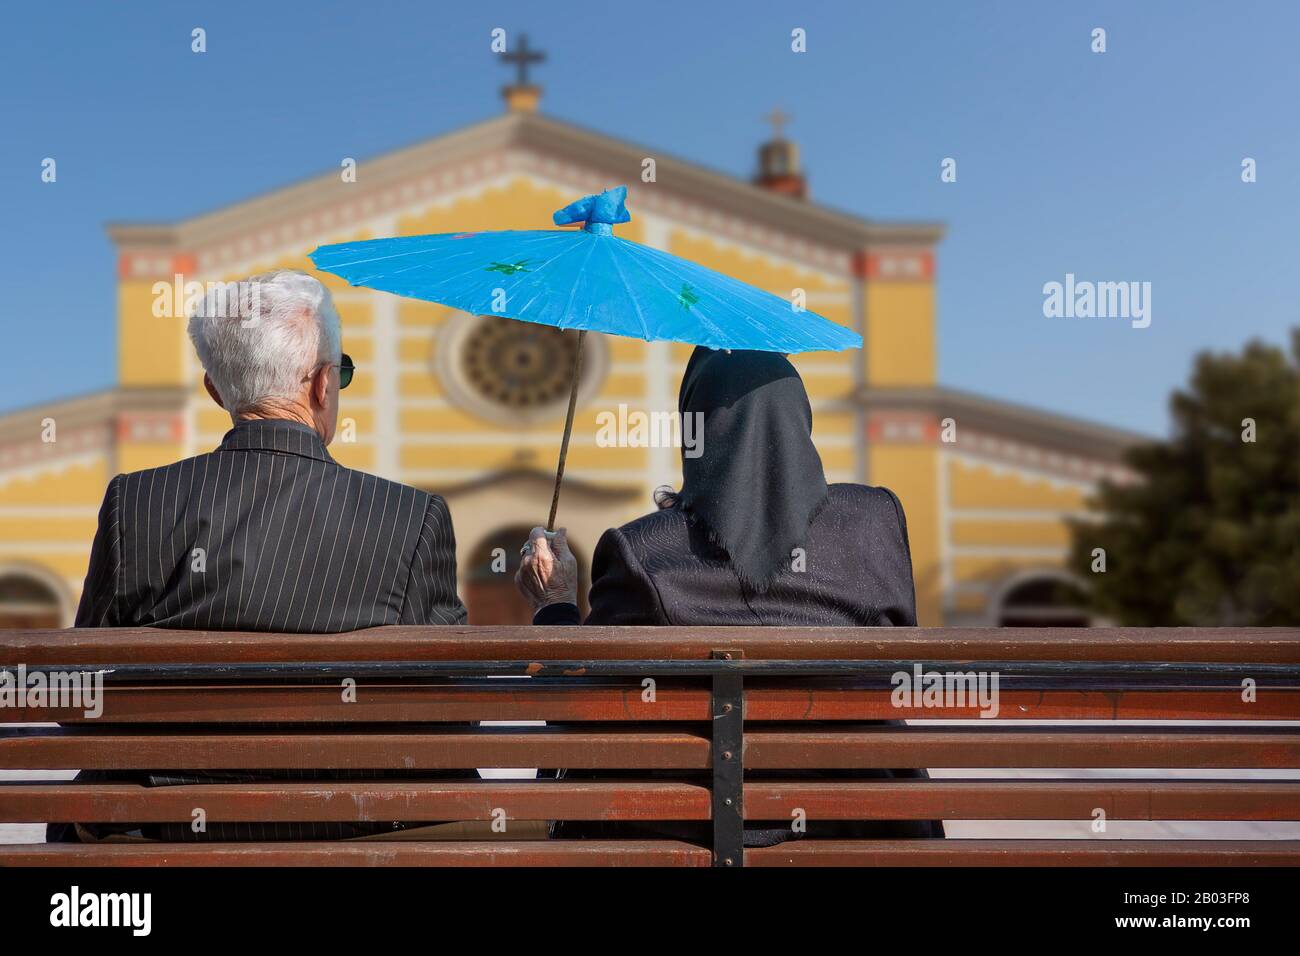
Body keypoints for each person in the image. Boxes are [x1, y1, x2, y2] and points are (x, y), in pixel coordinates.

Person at [51, 269, 468, 843]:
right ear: (323, 384)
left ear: (216, 391)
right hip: (350, 837)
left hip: (169, 837)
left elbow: (82, 696)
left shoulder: (139, 502)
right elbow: (454, 714)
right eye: (340, 371)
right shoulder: (408, 518)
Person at [516, 346, 942, 844]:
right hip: (873, 831)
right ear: (799, 419)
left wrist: (555, 602)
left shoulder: (644, 551)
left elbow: (579, 715)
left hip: (700, 835)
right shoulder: (875, 521)